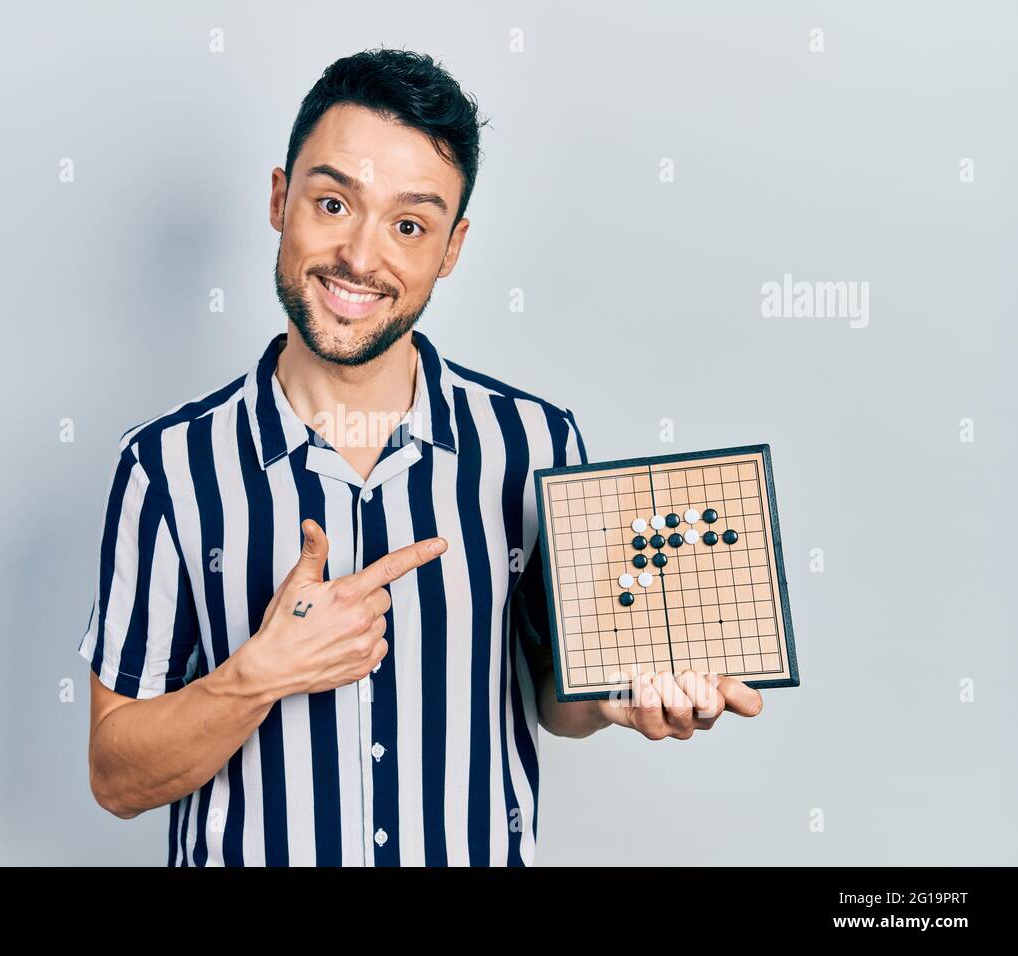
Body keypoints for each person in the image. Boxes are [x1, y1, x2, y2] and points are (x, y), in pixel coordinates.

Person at [78, 48, 762, 867]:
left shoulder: (537, 445)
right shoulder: (166, 468)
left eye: (409, 224)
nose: (362, 259)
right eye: (334, 203)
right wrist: (259, 674)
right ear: (278, 199)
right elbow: (117, 777)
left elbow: (558, 694)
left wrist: (621, 696)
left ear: (451, 248)